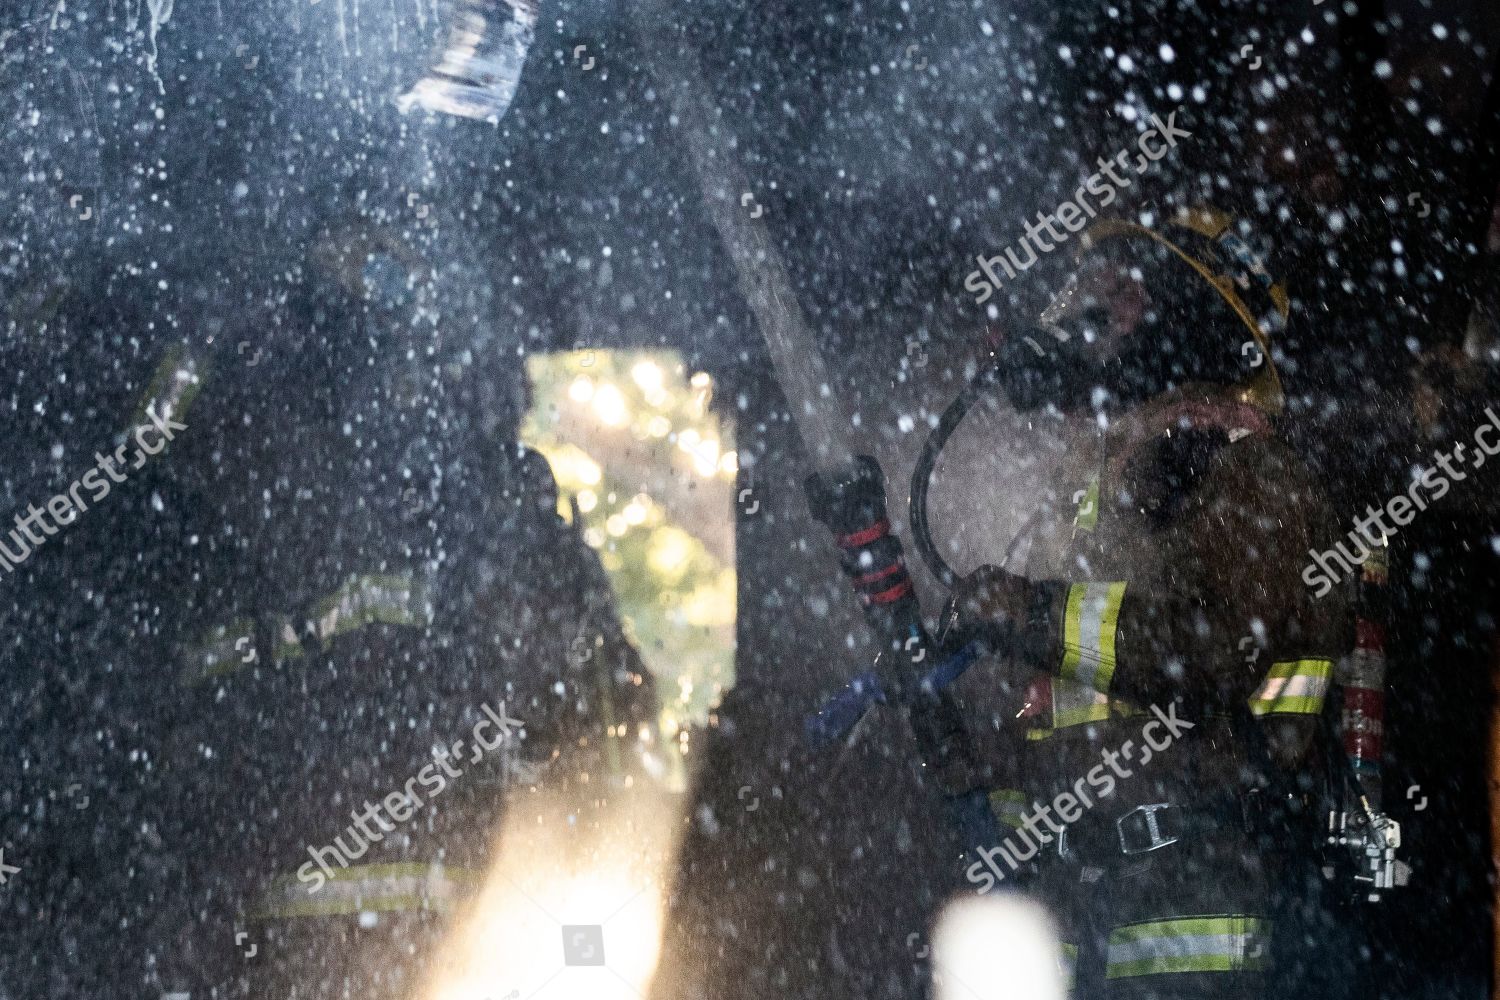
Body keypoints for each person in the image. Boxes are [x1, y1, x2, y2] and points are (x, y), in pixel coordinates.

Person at [946, 206, 1355, 999]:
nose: (1098, 322)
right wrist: (986, 811)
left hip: (1196, 911)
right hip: (1082, 910)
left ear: (1195, 318)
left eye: (1125, 298)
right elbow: (1062, 703)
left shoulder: (1254, 474)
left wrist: (1033, 613)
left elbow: (1214, 651)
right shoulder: (1109, 488)